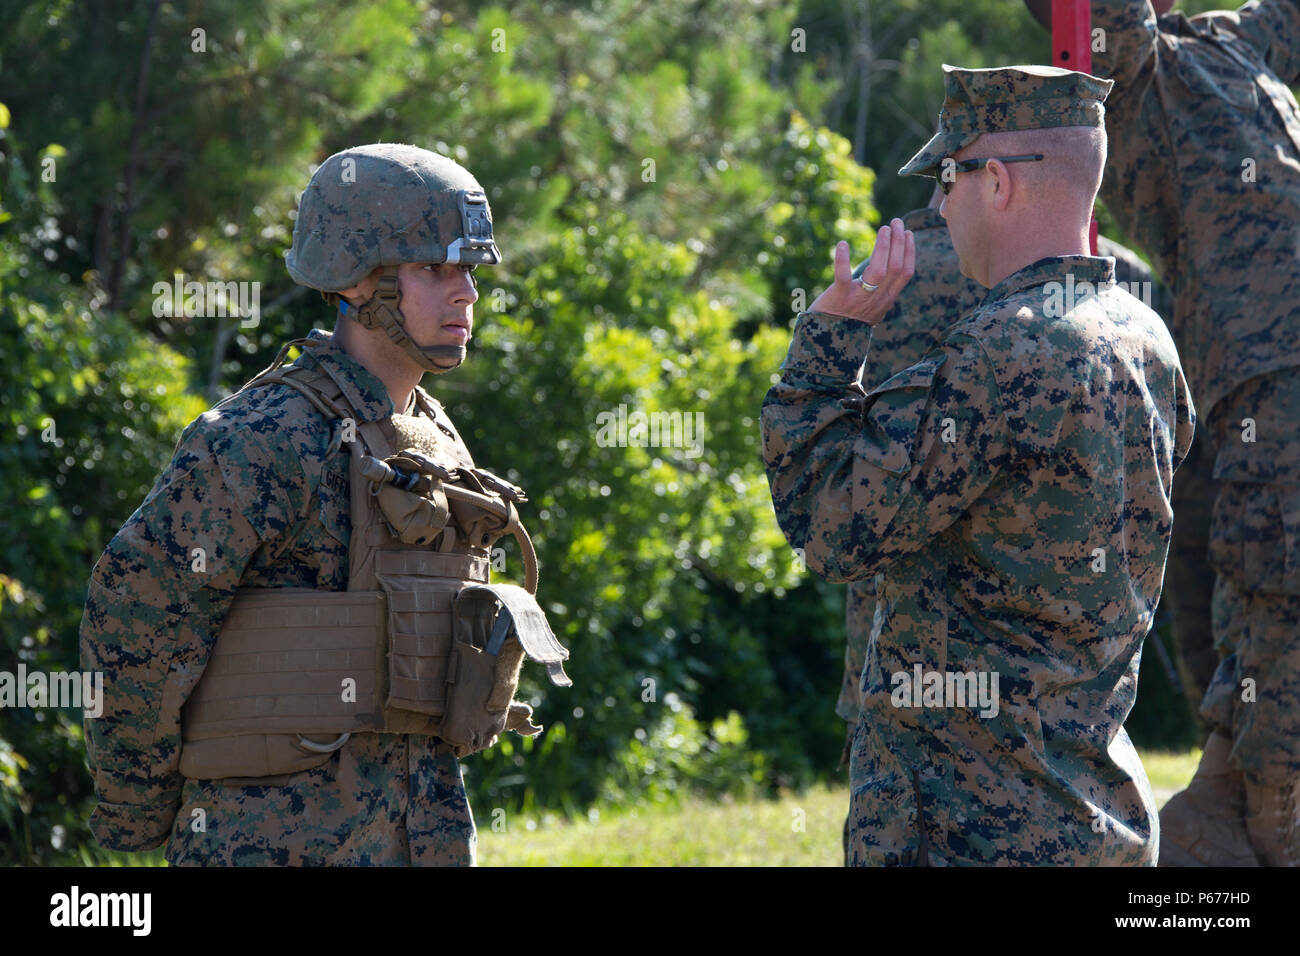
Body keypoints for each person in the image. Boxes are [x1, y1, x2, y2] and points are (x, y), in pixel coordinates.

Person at [79, 143, 570, 866]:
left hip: (421, 835)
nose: (465, 292)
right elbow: (136, 614)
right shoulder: (262, 437)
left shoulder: (435, 437)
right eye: (435, 268)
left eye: (468, 269)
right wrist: (137, 814)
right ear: (361, 279)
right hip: (271, 842)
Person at [762, 64, 1194, 864]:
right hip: (1092, 804)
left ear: (995, 182)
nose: (939, 202)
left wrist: (826, 346)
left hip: (972, 824)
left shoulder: (1002, 348)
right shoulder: (1143, 335)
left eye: (946, 176)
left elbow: (832, 529)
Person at [1025, 0, 1300, 866]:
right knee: (1283, 588)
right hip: (1262, 366)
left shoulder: (1230, 40)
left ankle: (1227, 798)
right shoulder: (1128, 74)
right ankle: (1272, 816)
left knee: (1273, 600)